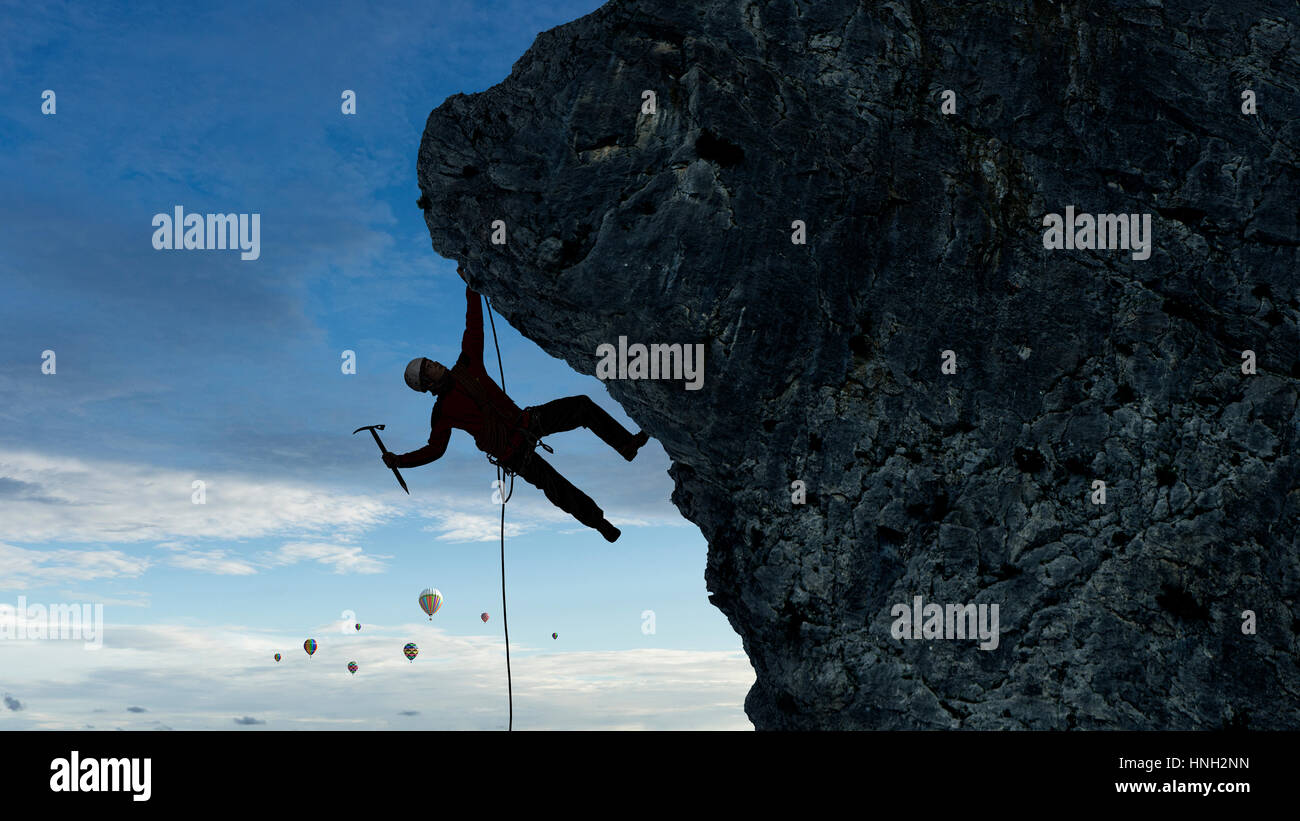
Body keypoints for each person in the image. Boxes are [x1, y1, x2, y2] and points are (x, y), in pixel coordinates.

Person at [384, 267, 648, 542]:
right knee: (556, 487)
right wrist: (400, 461)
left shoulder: (467, 363)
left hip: (526, 422)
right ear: (427, 384)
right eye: (429, 368)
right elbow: (434, 450)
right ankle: (600, 523)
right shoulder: (442, 411)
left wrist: (471, 285)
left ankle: (626, 444)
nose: (435, 364)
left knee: (580, 406)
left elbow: (473, 324)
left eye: (430, 361)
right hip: (512, 451)